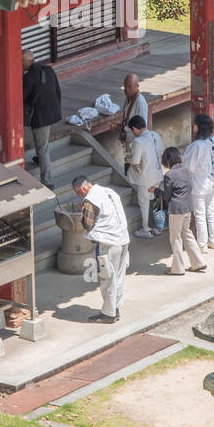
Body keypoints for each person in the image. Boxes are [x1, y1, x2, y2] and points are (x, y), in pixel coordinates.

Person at [73, 174, 130, 323]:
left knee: (107, 278)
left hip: (108, 243)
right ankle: (115, 308)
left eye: (78, 193)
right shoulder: (109, 191)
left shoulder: (90, 200)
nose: (80, 196)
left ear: (81, 189)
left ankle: (108, 314)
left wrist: (83, 211)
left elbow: (88, 224)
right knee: (118, 277)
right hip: (123, 239)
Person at [155, 147, 206, 275]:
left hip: (176, 209)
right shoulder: (187, 171)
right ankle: (198, 262)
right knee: (187, 234)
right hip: (188, 207)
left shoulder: (169, 175)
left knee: (175, 238)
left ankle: (177, 268)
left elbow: (166, 196)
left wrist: (156, 191)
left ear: (167, 161)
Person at [182, 111, 214, 252]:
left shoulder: (197, 145)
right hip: (211, 179)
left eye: (195, 125)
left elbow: (189, 166)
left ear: (198, 127)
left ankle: (202, 244)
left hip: (199, 182)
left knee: (199, 214)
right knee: (210, 211)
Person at [22, 49, 62, 188]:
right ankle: (40, 160)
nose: (20, 65)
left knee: (42, 147)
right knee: (43, 143)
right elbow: (57, 90)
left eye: (21, 62)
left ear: (26, 61)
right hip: (52, 111)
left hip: (40, 117)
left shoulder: (28, 78)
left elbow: (23, 97)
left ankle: (47, 181)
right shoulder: (48, 70)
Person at [127, 114, 165, 238]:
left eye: (132, 130)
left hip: (145, 178)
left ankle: (146, 229)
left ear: (135, 128)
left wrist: (128, 158)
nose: (133, 133)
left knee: (144, 203)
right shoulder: (155, 135)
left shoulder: (138, 141)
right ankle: (157, 226)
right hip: (158, 174)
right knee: (155, 200)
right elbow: (161, 151)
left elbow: (136, 161)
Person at [119, 73, 149, 172]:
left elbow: (141, 127)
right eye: (125, 86)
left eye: (130, 86)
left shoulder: (140, 102)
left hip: (136, 143)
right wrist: (120, 127)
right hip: (129, 141)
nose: (126, 89)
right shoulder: (129, 98)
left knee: (135, 169)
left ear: (137, 86)